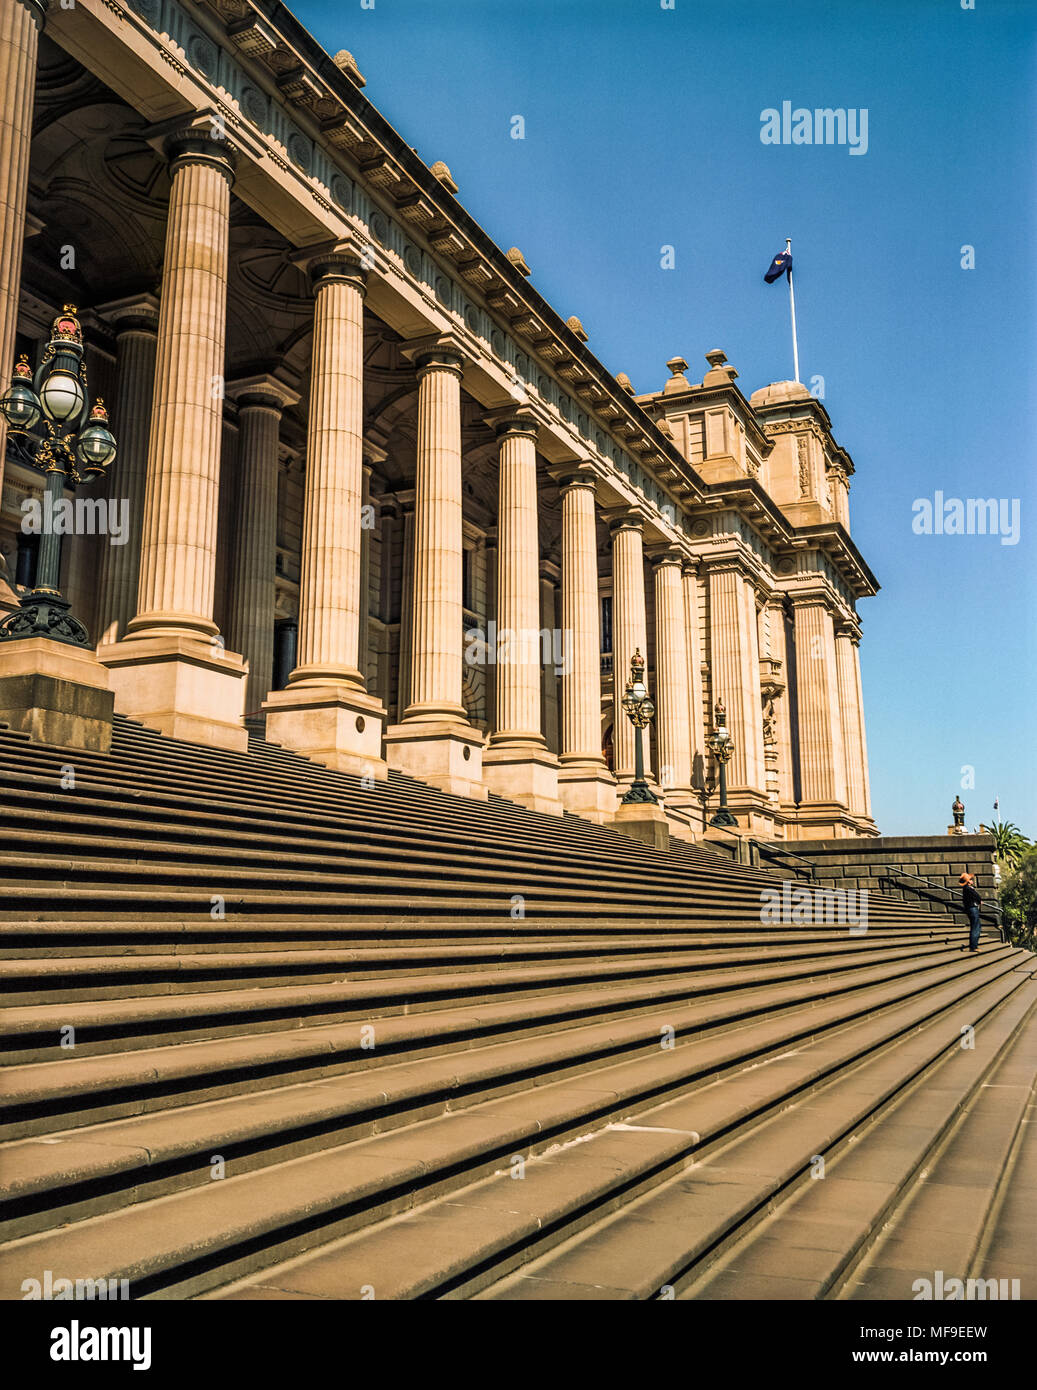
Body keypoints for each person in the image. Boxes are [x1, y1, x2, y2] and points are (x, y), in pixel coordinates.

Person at [960, 872, 982, 952]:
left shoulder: (967, 889)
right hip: (972, 908)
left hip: (972, 908)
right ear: (968, 881)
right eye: (971, 879)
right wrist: (979, 900)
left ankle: (974, 945)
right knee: (975, 927)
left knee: (977, 926)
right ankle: (973, 946)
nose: (972, 881)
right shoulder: (968, 889)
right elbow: (977, 896)